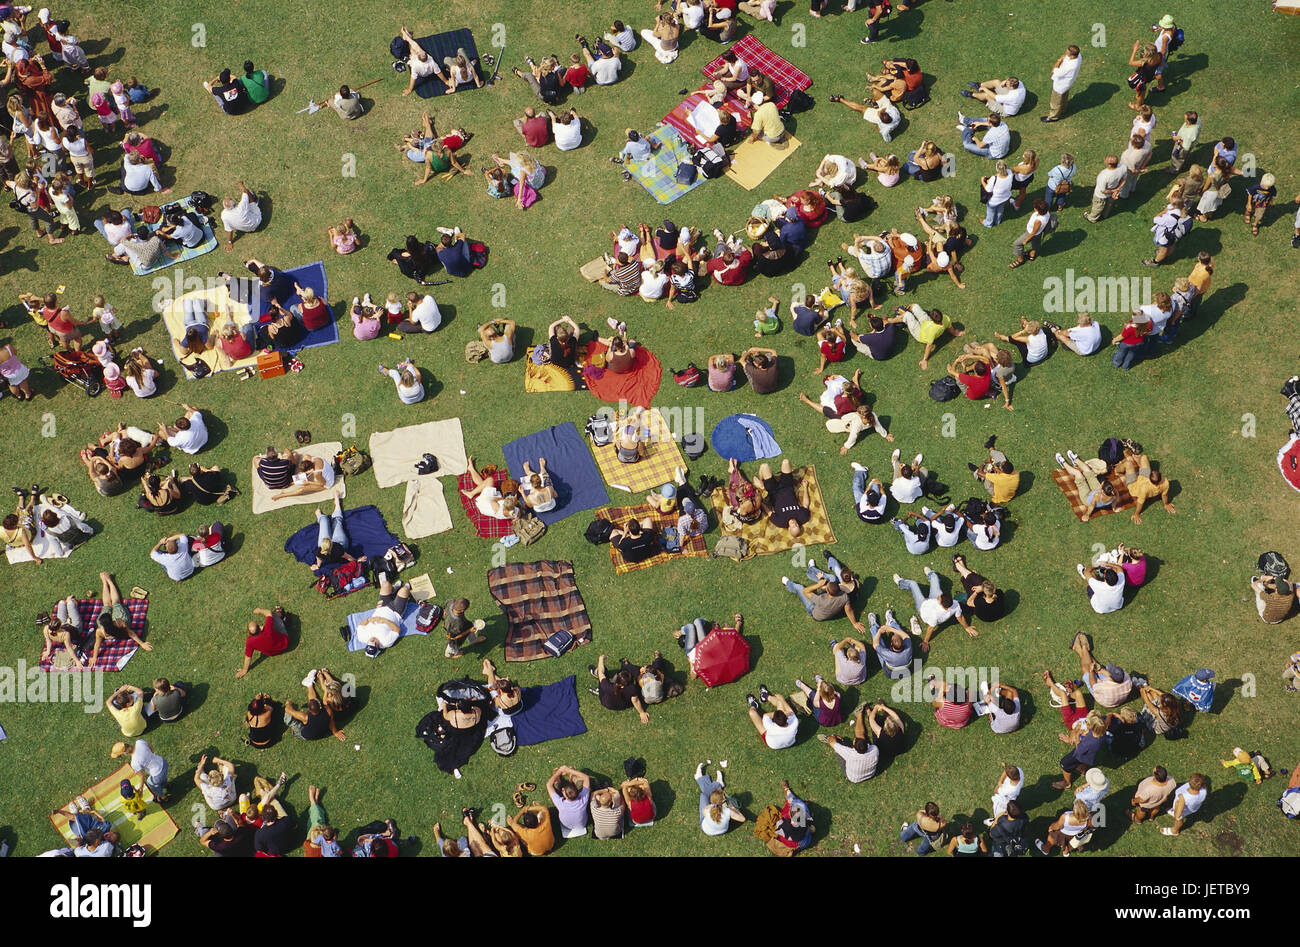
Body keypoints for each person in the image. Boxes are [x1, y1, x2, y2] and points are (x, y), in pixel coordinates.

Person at [893, 566, 978, 651]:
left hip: (922, 606)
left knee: (913, 584)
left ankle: (900, 583)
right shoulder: (955, 604)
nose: (939, 596)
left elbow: (930, 629)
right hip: (932, 601)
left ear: (940, 603)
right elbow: (960, 617)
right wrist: (967, 627)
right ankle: (930, 575)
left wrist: (925, 641)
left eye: (940, 597)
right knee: (934, 577)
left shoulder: (934, 616)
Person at [817, 708, 878, 782]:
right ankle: (859, 714)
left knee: (839, 752)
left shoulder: (849, 754)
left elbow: (832, 742)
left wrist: (833, 737)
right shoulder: (874, 750)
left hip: (853, 778)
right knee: (860, 735)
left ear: (853, 746)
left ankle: (826, 738)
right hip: (871, 774)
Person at [236, 605, 290, 678]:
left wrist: (244, 670)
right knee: (272, 614)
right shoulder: (267, 629)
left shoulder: (250, 641)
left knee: (271, 624)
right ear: (259, 628)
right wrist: (259, 610)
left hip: (274, 652)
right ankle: (280, 613)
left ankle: (280, 616)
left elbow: (248, 657)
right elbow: (268, 613)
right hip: (285, 642)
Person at [695, 762, 745, 836]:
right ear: (723, 801)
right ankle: (717, 783)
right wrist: (732, 808)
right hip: (723, 830)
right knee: (705, 793)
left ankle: (712, 782)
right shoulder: (728, 811)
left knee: (705, 794)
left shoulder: (708, 811)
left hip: (706, 829)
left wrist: (712, 805)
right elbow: (742, 819)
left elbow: (704, 810)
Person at [547, 765, 592, 837]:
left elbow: (549, 785)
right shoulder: (583, 799)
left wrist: (559, 772)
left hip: (566, 826)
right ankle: (572, 775)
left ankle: (558, 778)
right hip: (582, 825)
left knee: (554, 783)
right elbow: (586, 778)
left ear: (564, 794)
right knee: (580, 780)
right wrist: (569, 770)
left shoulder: (560, 803)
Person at [1043, 46, 1082, 122]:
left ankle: (1053, 117)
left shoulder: (1069, 67)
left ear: (1071, 55)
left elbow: (1053, 71)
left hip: (1060, 85)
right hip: (1067, 84)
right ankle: (1063, 110)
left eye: (1067, 52)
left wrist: (1059, 60)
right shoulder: (1078, 56)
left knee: (1055, 102)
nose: (1065, 53)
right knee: (1064, 98)